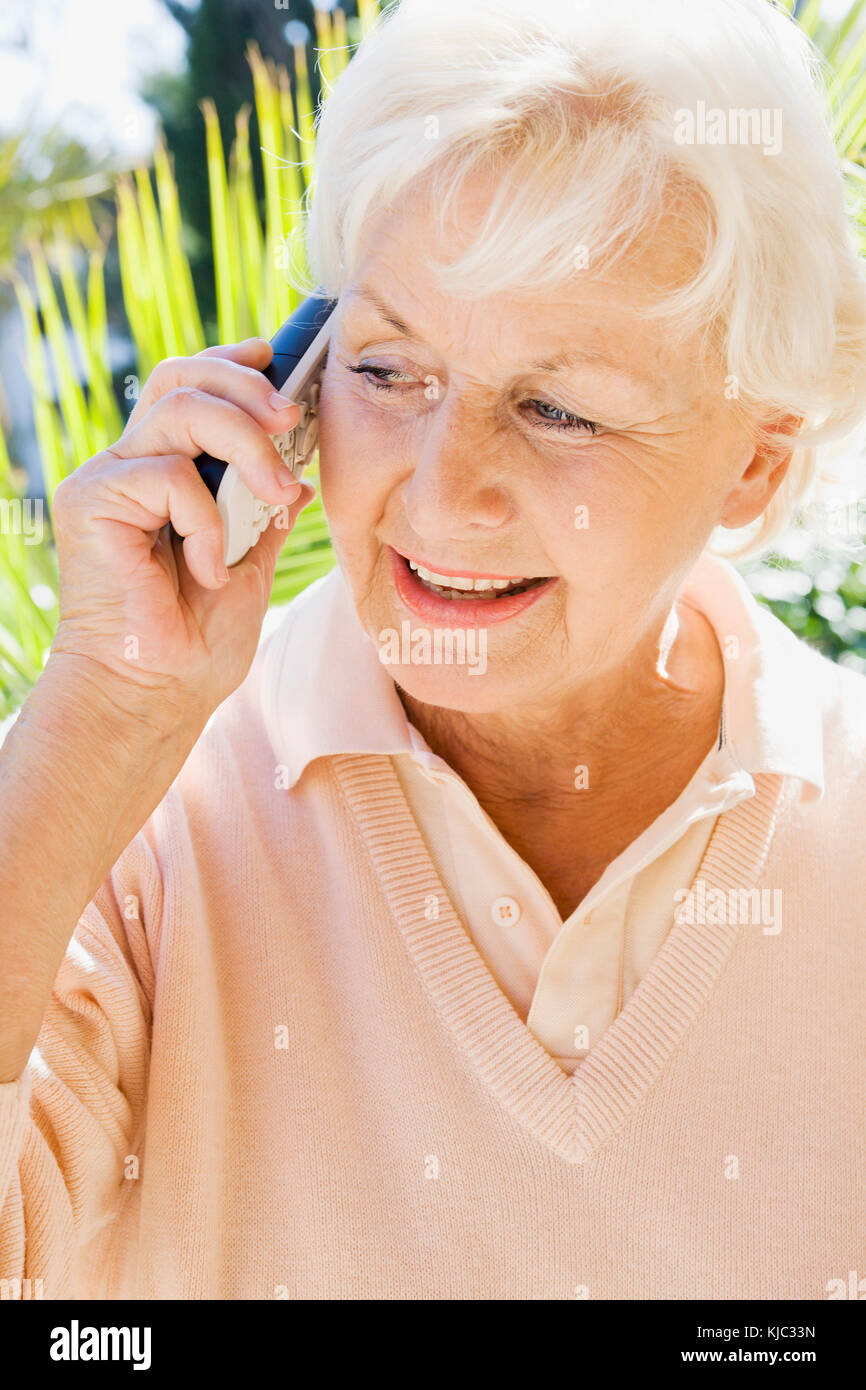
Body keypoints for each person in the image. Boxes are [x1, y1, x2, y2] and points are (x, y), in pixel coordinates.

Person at [2, 0, 866, 1299]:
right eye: (389, 369)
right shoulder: (130, 831)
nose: (439, 487)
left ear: (752, 466)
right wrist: (105, 714)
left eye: (559, 405)